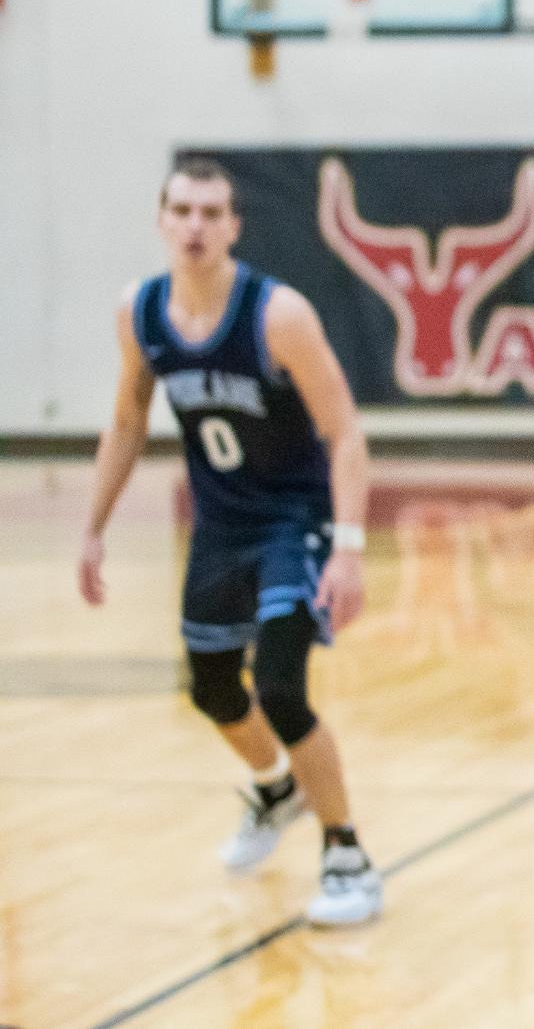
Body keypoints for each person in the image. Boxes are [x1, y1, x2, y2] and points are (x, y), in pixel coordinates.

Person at [78, 157, 382, 926]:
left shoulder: (278, 314)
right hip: (219, 527)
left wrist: (347, 548)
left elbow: (345, 432)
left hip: (293, 520)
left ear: (234, 226)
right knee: (212, 691)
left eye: (212, 213)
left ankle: (348, 854)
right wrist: (92, 527)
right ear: (161, 219)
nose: (196, 227)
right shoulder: (139, 314)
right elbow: (125, 423)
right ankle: (277, 792)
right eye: (182, 210)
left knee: (280, 686)